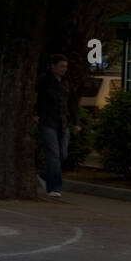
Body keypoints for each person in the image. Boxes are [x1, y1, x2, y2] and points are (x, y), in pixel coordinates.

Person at [34, 53, 81, 198]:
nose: (64, 69)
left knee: (62, 154)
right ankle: (53, 187)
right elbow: (35, 97)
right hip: (48, 121)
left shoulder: (66, 82)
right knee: (53, 154)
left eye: (65, 67)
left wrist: (76, 122)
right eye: (61, 66)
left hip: (62, 122)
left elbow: (72, 103)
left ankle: (44, 175)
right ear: (53, 66)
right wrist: (35, 114)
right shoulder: (44, 80)